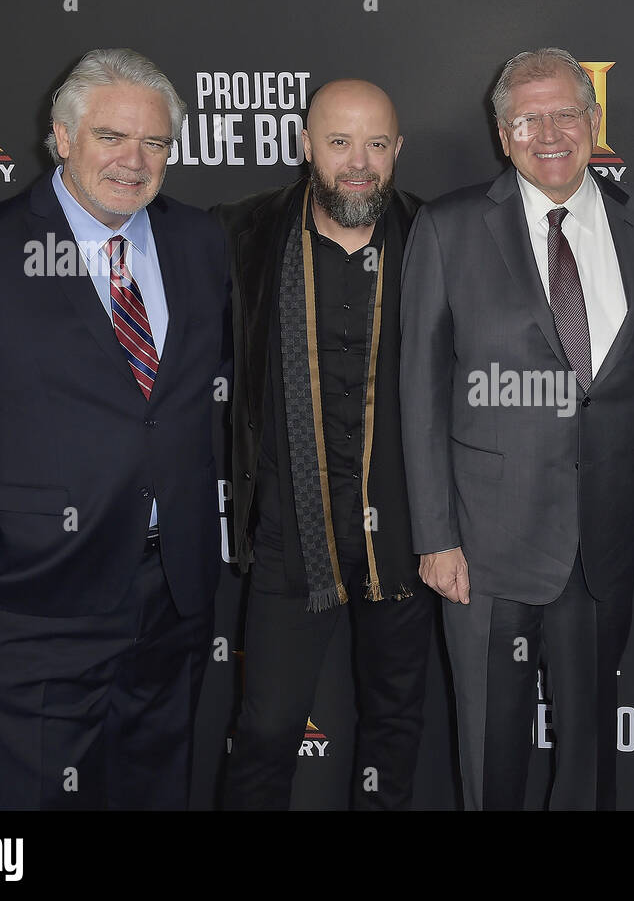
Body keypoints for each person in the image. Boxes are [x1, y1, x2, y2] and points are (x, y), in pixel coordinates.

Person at [0, 48, 230, 809]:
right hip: (36, 598)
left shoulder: (199, 241)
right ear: (61, 135)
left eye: (154, 143)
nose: (133, 160)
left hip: (172, 593)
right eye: (111, 136)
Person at [400, 47, 634, 810]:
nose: (549, 132)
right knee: (491, 761)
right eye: (529, 118)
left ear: (594, 122)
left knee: (589, 761)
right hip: (485, 551)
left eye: (567, 113)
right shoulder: (448, 227)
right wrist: (434, 535)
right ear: (502, 133)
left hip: (603, 545)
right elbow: (419, 392)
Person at [214, 79, 434, 811]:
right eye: (339, 142)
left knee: (395, 728)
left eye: (376, 143)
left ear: (398, 150)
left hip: (404, 535)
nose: (358, 162)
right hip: (288, 535)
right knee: (267, 727)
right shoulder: (241, 236)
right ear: (305, 146)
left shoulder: (438, 238)